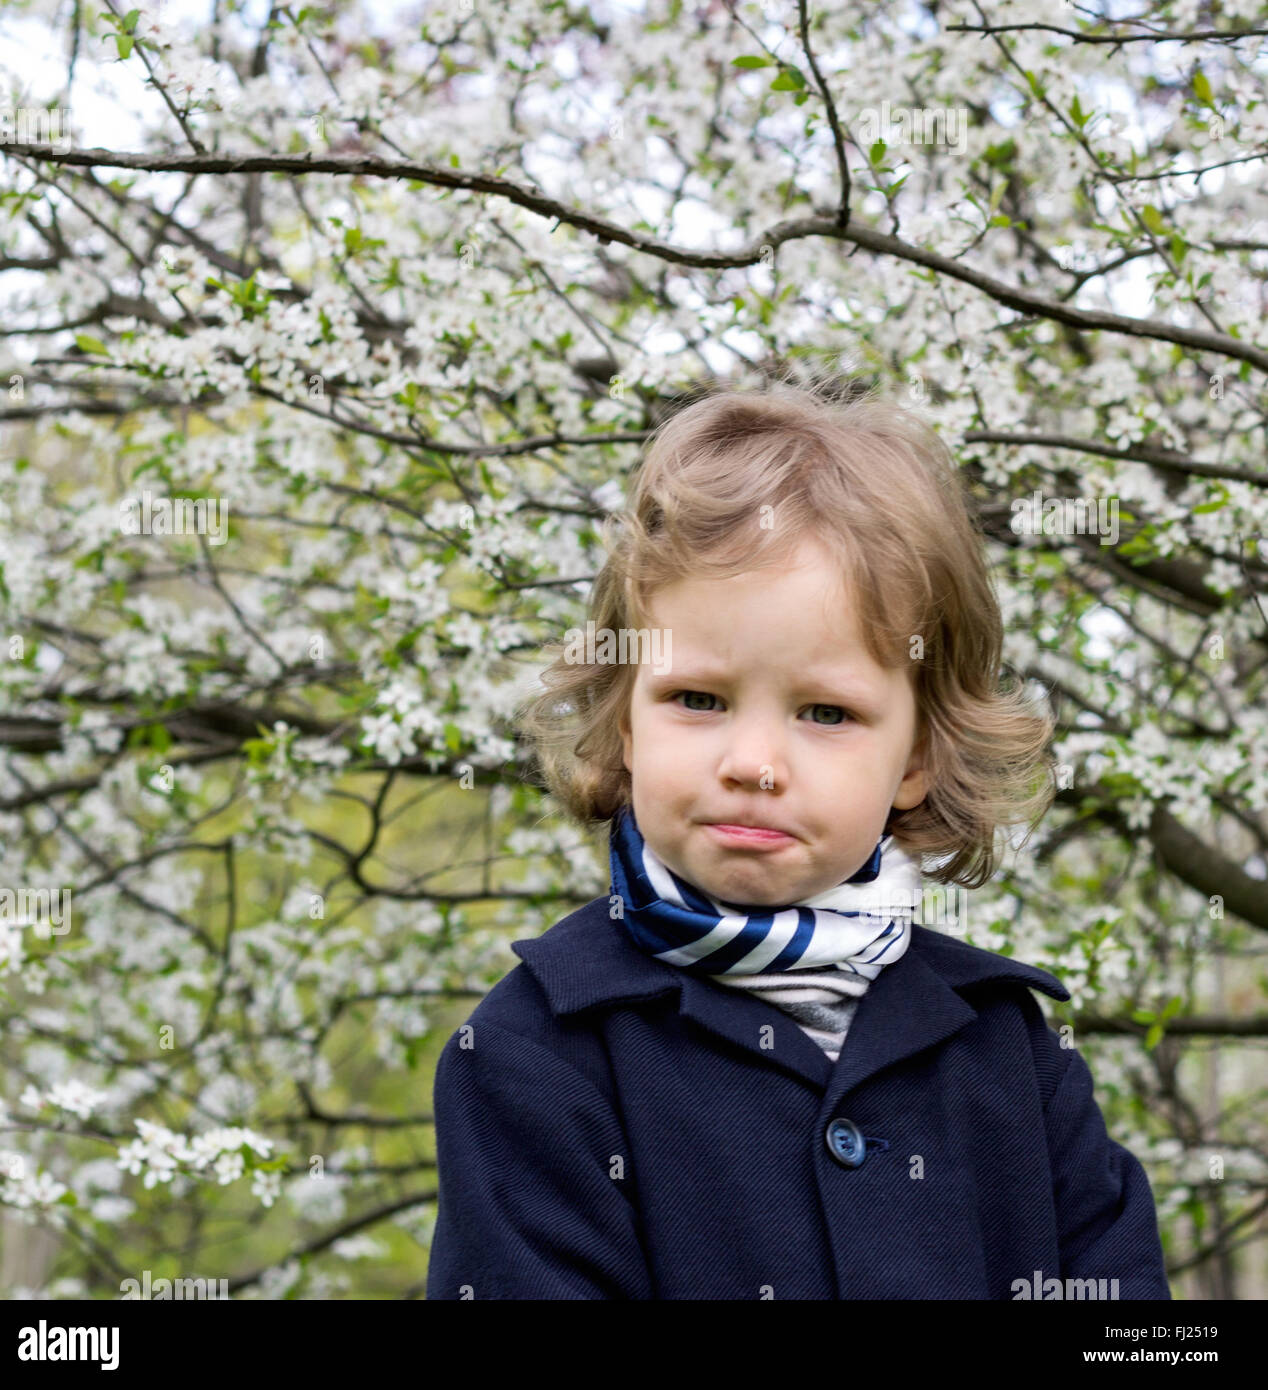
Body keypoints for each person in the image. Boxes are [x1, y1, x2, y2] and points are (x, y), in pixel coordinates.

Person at [424, 378, 1171, 1300]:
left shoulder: (1009, 1048)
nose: (755, 763)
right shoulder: (534, 1051)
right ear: (624, 721)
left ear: (917, 760)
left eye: (827, 712)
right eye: (697, 699)